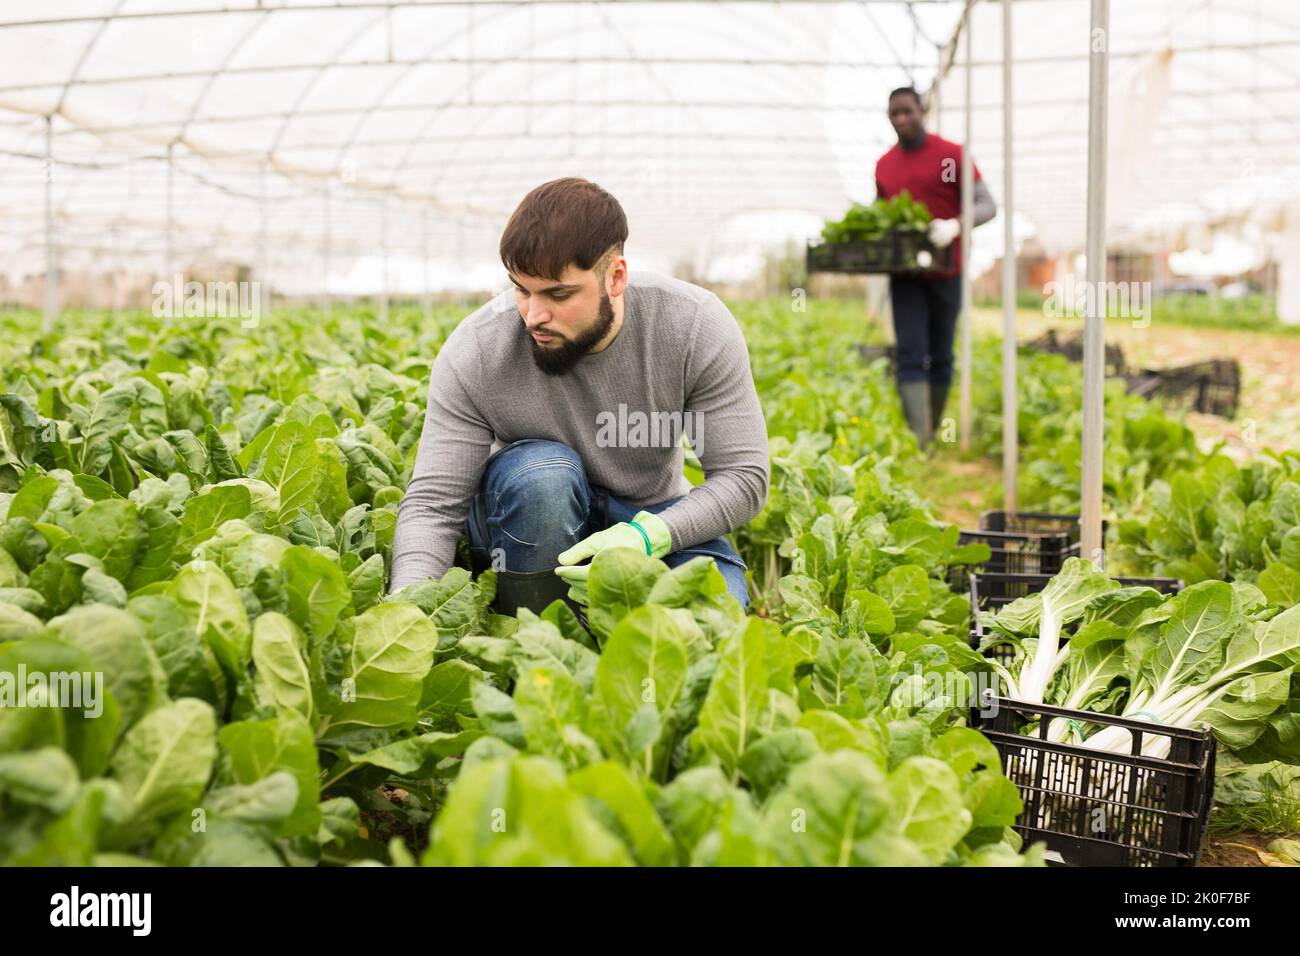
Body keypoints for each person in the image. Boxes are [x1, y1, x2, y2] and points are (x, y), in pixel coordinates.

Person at [389, 177, 770, 615]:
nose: (534, 315)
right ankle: (531, 621)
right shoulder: (477, 350)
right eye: (521, 289)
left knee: (712, 618)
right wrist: (407, 613)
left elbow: (744, 476)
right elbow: (434, 504)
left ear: (616, 277)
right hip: (526, 512)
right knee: (545, 474)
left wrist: (648, 538)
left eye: (558, 294)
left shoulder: (692, 325)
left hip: (648, 515)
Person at [875, 86, 997, 446]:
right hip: (906, 276)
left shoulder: (951, 155)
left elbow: (988, 205)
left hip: (948, 270)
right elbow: (881, 214)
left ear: (921, 111)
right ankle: (922, 439)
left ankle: (935, 421)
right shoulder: (885, 166)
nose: (901, 119)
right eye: (894, 113)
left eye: (907, 112)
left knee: (941, 352)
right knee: (910, 351)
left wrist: (956, 224)